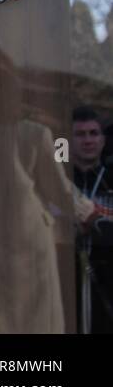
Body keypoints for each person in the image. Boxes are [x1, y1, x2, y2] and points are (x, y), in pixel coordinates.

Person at [72, 106, 113, 333]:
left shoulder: (110, 180)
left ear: (103, 140)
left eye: (93, 133)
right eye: (80, 134)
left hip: (106, 275)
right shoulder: (59, 178)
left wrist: (97, 224)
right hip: (68, 273)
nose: (88, 140)